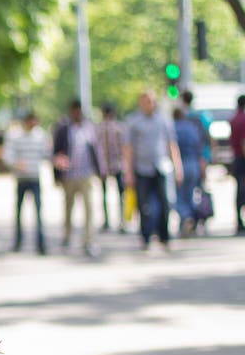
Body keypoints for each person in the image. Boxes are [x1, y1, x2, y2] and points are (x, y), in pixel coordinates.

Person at [123, 91, 184, 251]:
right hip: (142, 168)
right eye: (145, 101)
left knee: (166, 202)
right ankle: (146, 236)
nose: (148, 104)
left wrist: (178, 167)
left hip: (161, 166)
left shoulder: (163, 121)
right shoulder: (133, 122)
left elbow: (172, 144)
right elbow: (128, 148)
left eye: (150, 101)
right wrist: (128, 171)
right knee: (144, 204)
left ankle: (164, 236)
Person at [53, 99, 104, 257]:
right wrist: (56, 175)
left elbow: (95, 150)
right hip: (69, 176)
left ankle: (89, 240)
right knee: (68, 208)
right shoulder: (63, 129)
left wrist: (100, 171)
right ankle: (67, 236)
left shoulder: (88, 128)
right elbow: (56, 153)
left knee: (89, 209)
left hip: (86, 175)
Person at [3, 113, 51, 254]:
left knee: (38, 212)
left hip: (35, 178)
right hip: (21, 180)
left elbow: (46, 154)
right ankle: (18, 242)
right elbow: (7, 156)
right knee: (19, 212)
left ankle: (41, 244)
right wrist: (16, 165)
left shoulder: (40, 135)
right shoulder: (15, 136)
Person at [172, 107, 204, 237]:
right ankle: (191, 218)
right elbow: (199, 147)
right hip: (193, 163)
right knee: (191, 194)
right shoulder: (191, 128)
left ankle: (185, 216)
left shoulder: (173, 128)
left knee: (179, 196)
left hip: (180, 164)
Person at [96, 103, 126, 233]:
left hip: (105, 166)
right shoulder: (118, 128)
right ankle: (122, 222)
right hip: (117, 165)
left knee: (105, 195)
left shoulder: (99, 129)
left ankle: (108, 220)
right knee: (119, 195)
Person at [230, 94, 245, 235]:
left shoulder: (234, 118)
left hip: (236, 159)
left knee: (239, 191)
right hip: (242, 158)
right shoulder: (243, 119)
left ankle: (239, 221)